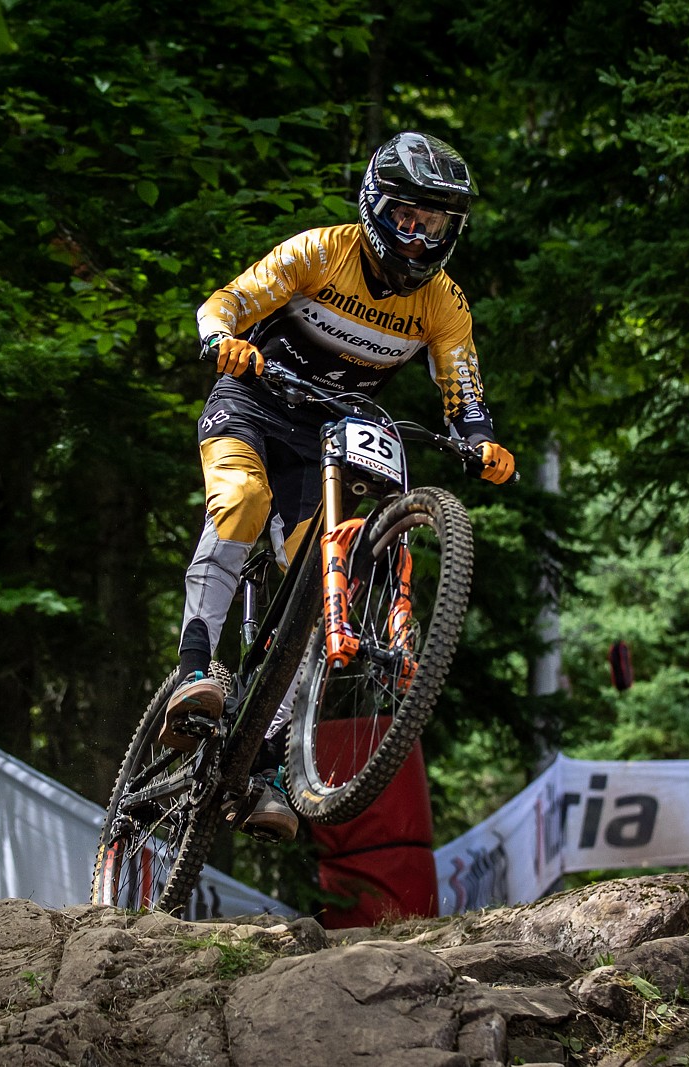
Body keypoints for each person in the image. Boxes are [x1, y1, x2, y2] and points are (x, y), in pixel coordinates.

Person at [160, 131, 516, 841]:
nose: (417, 238)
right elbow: (226, 302)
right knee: (242, 502)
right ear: (375, 207)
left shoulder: (443, 301)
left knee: (318, 577)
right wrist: (219, 336)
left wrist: (479, 442)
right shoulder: (322, 250)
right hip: (252, 402)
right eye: (407, 217)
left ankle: (261, 765)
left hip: (325, 437)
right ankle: (191, 672)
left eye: (435, 224)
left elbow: (463, 391)